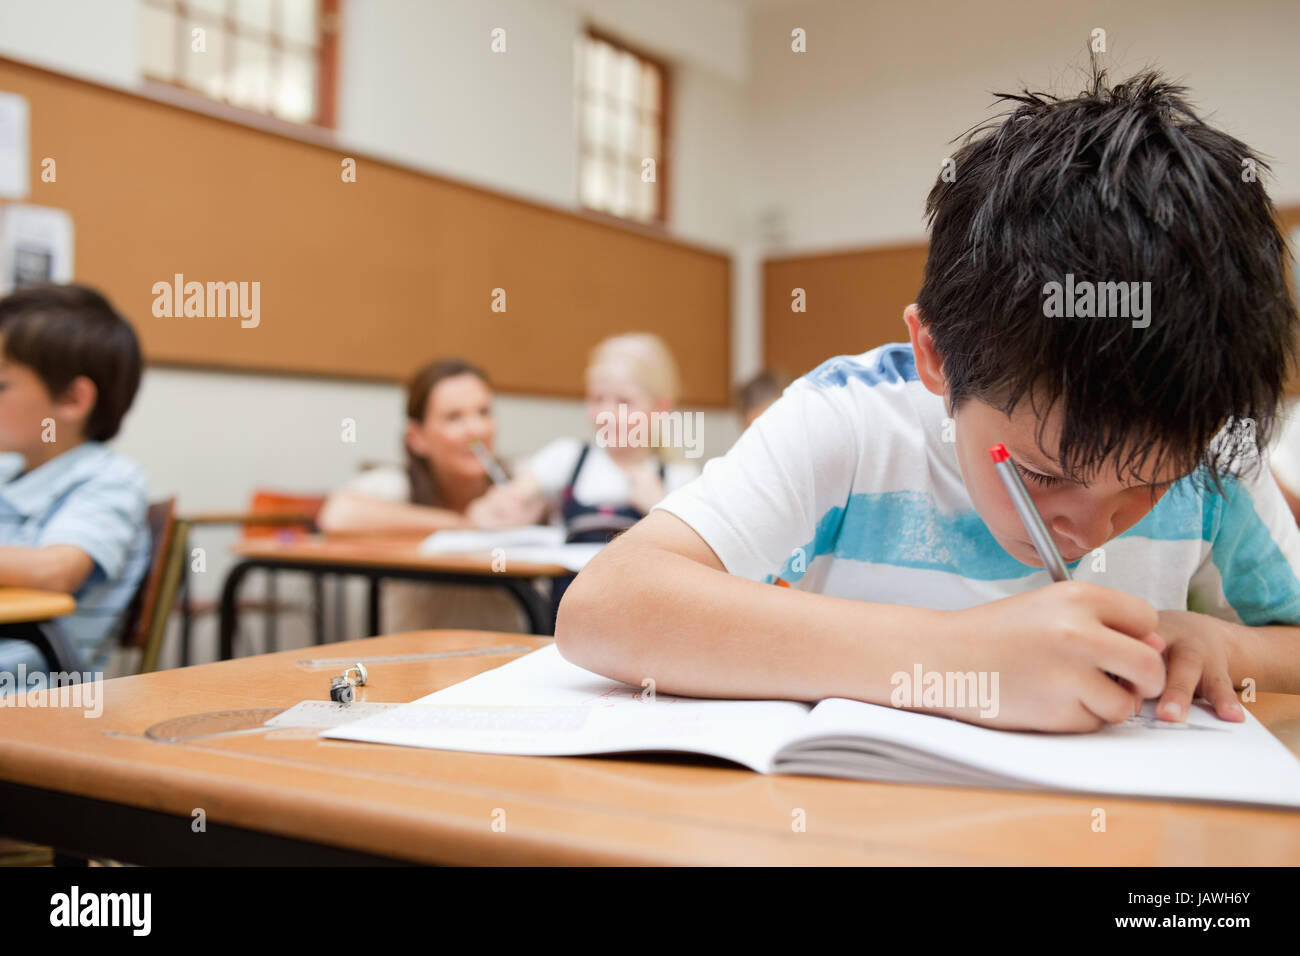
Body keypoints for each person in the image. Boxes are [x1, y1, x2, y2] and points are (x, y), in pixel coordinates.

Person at [556, 64, 1300, 734]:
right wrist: (964, 660)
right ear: (936, 357)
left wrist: (1224, 643)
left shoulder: (1211, 449)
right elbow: (606, 609)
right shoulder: (848, 421)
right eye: (1042, 474)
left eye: (1147, 486)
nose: (1089, 531)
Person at [0, 284, 149, 688]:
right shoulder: (7, 471)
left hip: (32, 688)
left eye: (1, 385)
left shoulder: (109, 479)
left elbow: (55, 570)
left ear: (71, 398)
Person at [318, 358, 536, 633]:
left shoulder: (518, 479)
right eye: (453, 418)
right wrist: (463, 524)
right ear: (416, 437)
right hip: (416, 666)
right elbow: (338, 515)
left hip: (509, 661)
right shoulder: (399, 486)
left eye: (484, 412)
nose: (475, 430)